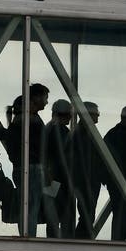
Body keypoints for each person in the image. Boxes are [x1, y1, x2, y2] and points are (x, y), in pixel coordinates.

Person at [5, 84, 50, 236]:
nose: (46, 102)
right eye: (45, 98)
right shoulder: (31, 120)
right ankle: (29, 238)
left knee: (27, 205)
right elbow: (41, 146)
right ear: (36, 97)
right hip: (32, 168)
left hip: (22, 167)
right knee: (32, 206)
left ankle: (26, 236)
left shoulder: (19, 119)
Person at [103, 104, 126, 241]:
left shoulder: (112, 134)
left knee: (118, 214)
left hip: (116, 184)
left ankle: (117, 243)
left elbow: (102, 158)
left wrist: (107, 180)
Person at [71, 101, 105, 239]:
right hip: (87, 179)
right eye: (96, 113)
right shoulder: (85, 133)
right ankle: (82, 239)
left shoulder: (83, 131)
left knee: (87, 213)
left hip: (86, 179)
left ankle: (82, 238)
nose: (98, 116)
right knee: (87, 213)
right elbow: (86, 158)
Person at [43, 98, 74, 238]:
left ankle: (54, 241)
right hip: (58, 178)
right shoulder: (59, 130)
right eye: (69, 114)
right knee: (62, 213)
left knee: (53, 215)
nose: (71, 117)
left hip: (52, 178)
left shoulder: (49, 128)